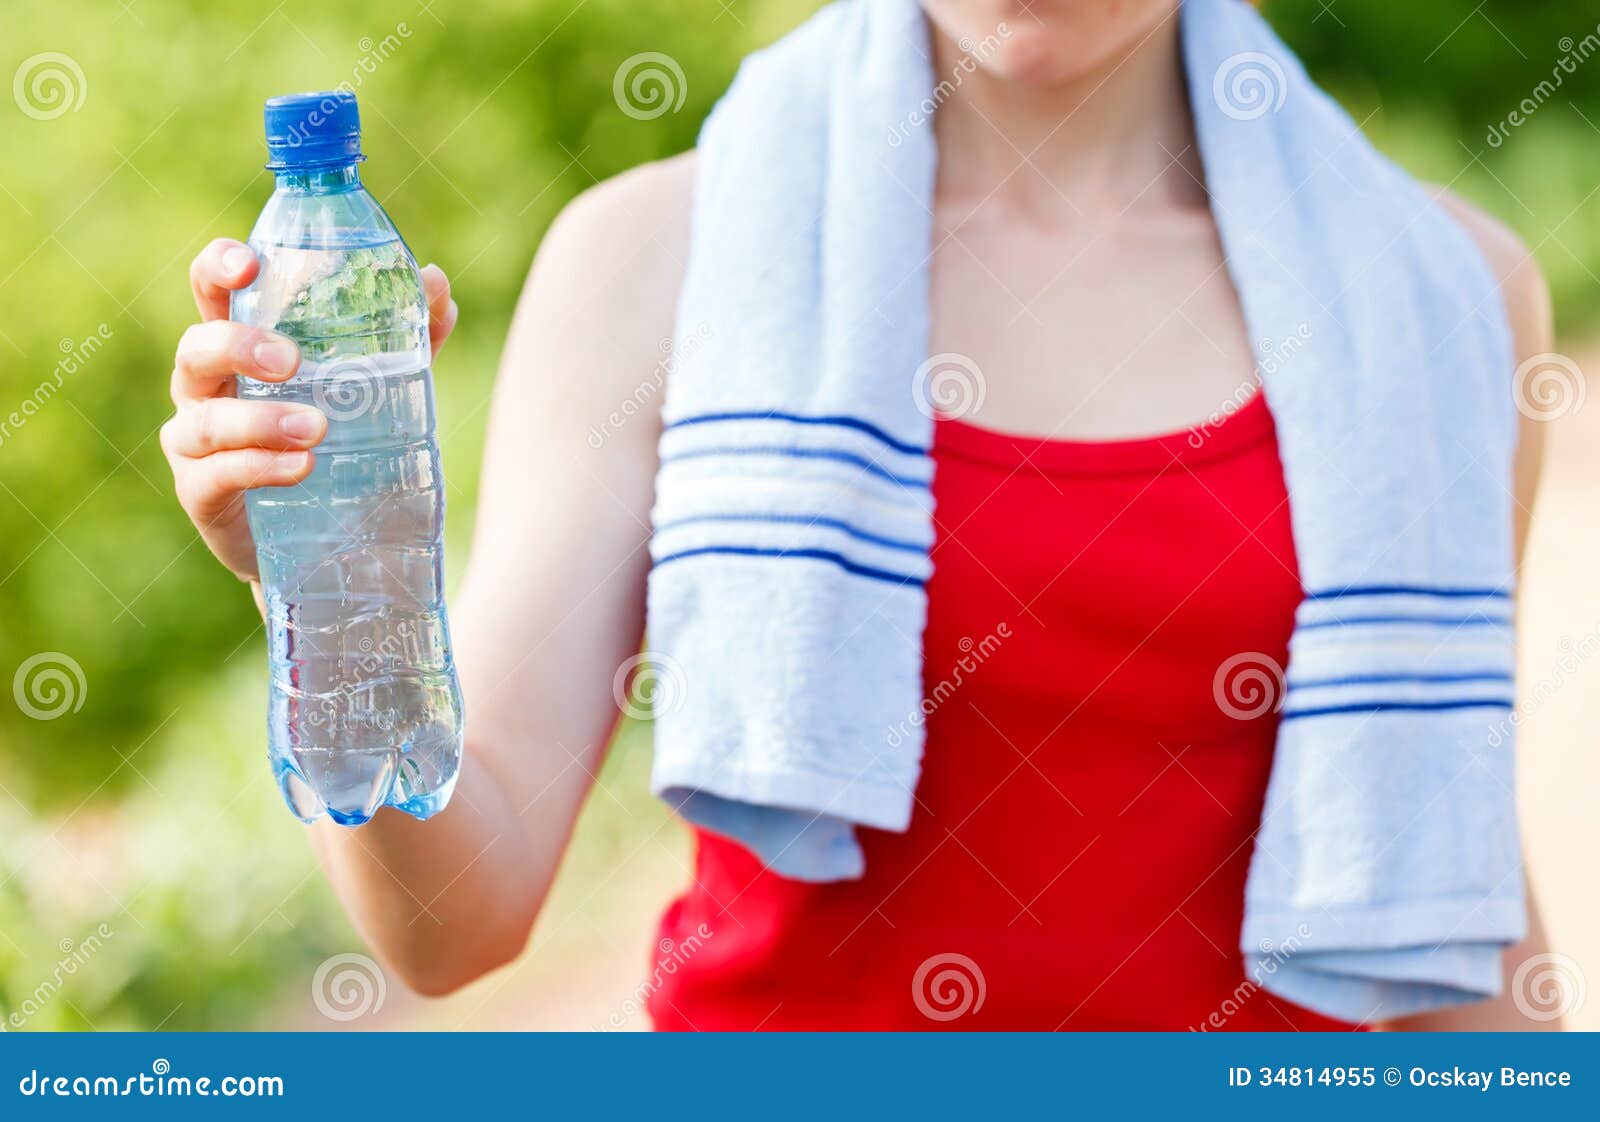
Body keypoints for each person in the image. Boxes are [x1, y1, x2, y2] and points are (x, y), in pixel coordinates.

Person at [161, 0, 1555, 1029]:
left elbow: (1447, 911)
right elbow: (452, 928)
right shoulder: (651, 261)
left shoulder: (1440, 295)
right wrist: (326, 587)